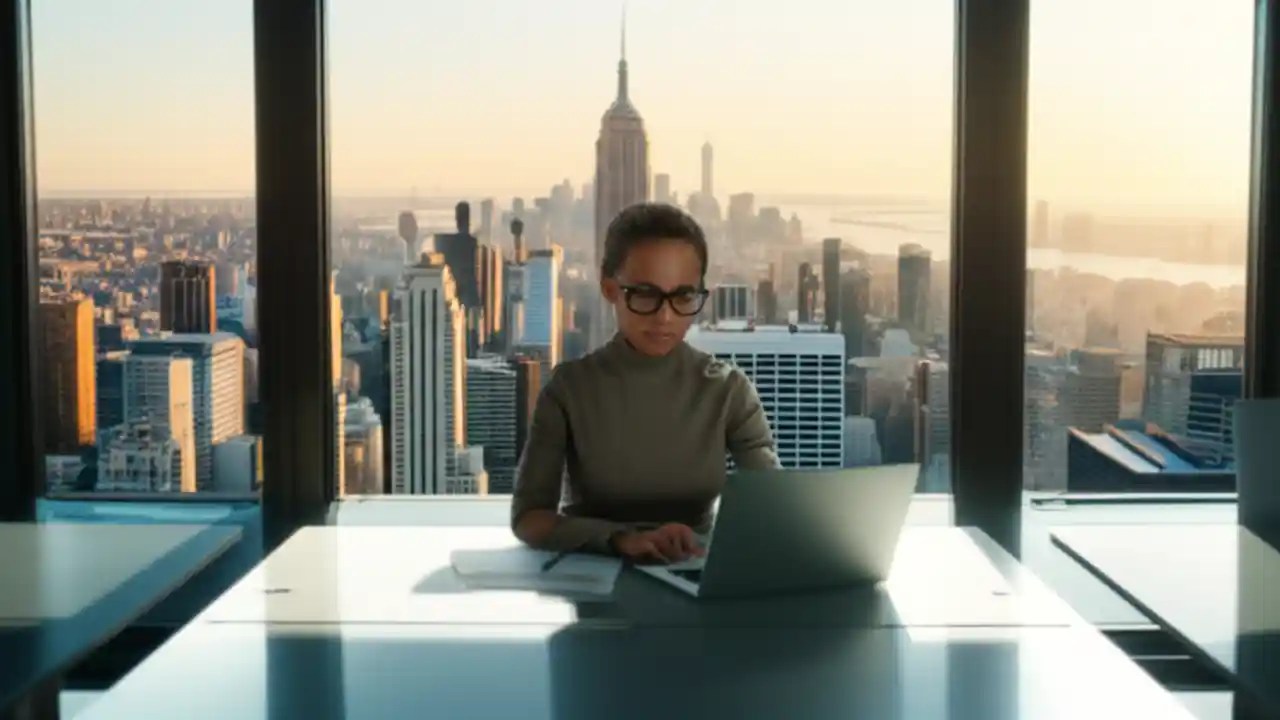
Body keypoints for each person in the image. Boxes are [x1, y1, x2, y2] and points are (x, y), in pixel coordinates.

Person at [511, 203, 780, 563]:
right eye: (645, 295)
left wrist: (705, 540)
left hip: (695, 572)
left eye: (683, 296)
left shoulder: (727, 391)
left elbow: (775, 507)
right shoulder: (569, 390)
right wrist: (619, 539)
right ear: (610, 289)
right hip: (594, 577)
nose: (665, 317)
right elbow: (529, 520)